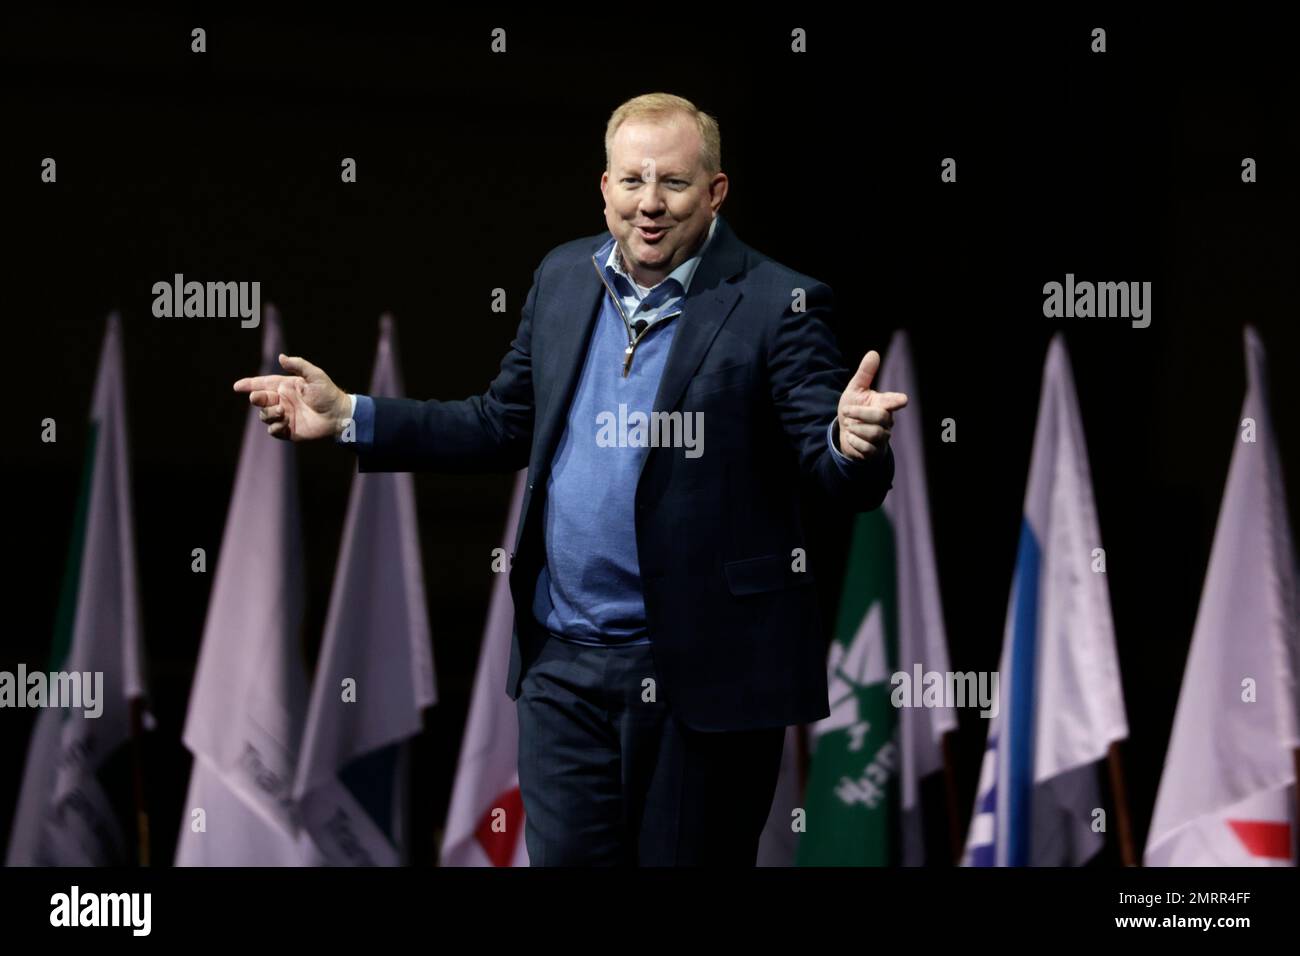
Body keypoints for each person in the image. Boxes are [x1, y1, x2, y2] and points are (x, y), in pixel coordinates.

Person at [233, 92, 907, 866]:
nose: (649, 206)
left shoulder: (776, 301)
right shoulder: (563, 277)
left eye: (675, 185)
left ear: (716, 191)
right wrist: (352, 413)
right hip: (563, 666)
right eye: (631, 181)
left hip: (704, 674)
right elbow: (498, 424)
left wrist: (852, 444)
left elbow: (826, 460)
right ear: (605, 186)